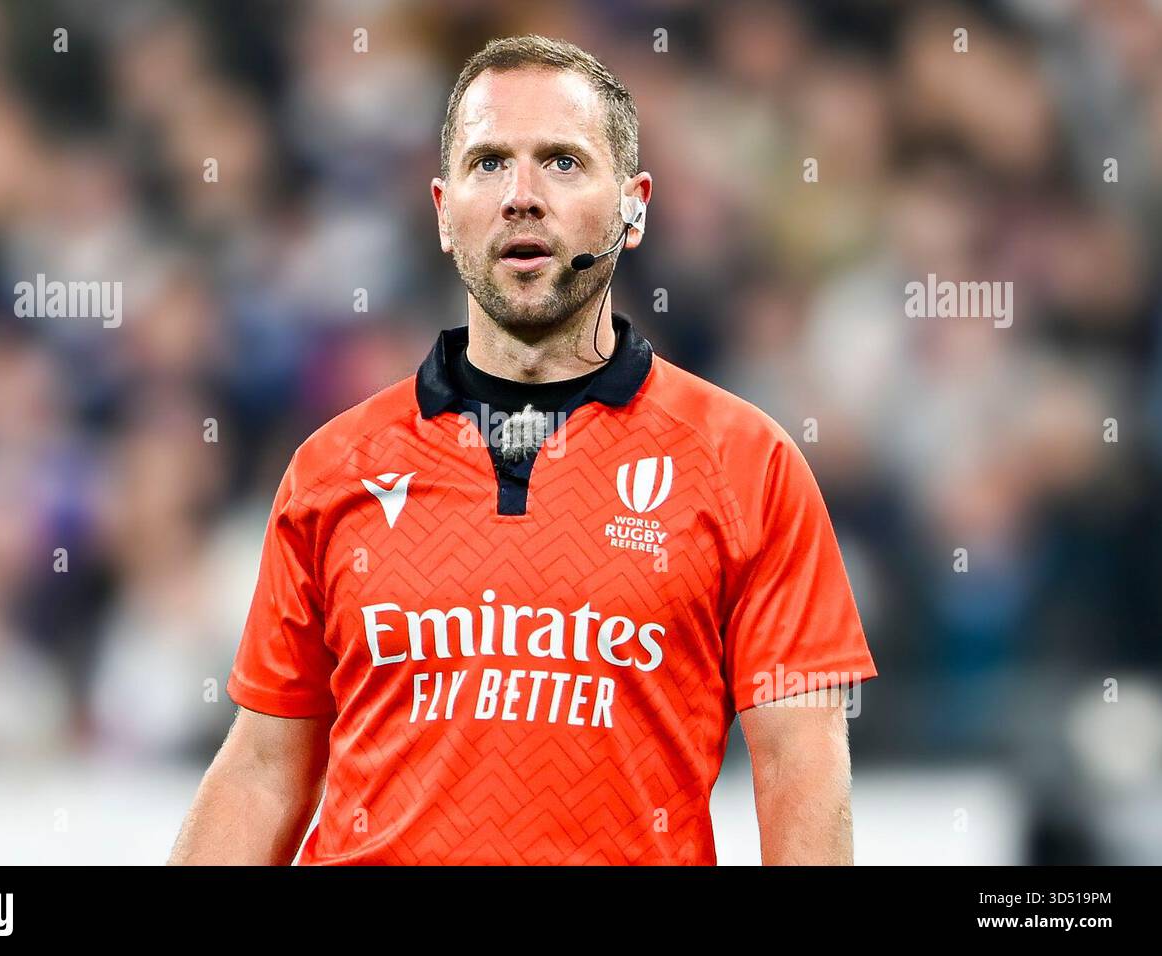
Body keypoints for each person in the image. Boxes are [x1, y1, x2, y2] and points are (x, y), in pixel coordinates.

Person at [169, 34, 876, 866]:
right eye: (489, 163)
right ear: (443, 211)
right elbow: (263, 770)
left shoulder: (748, 466)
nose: (522, 197)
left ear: (635, 207)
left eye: (563, 163)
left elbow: (800, 765)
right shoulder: (333, 468)